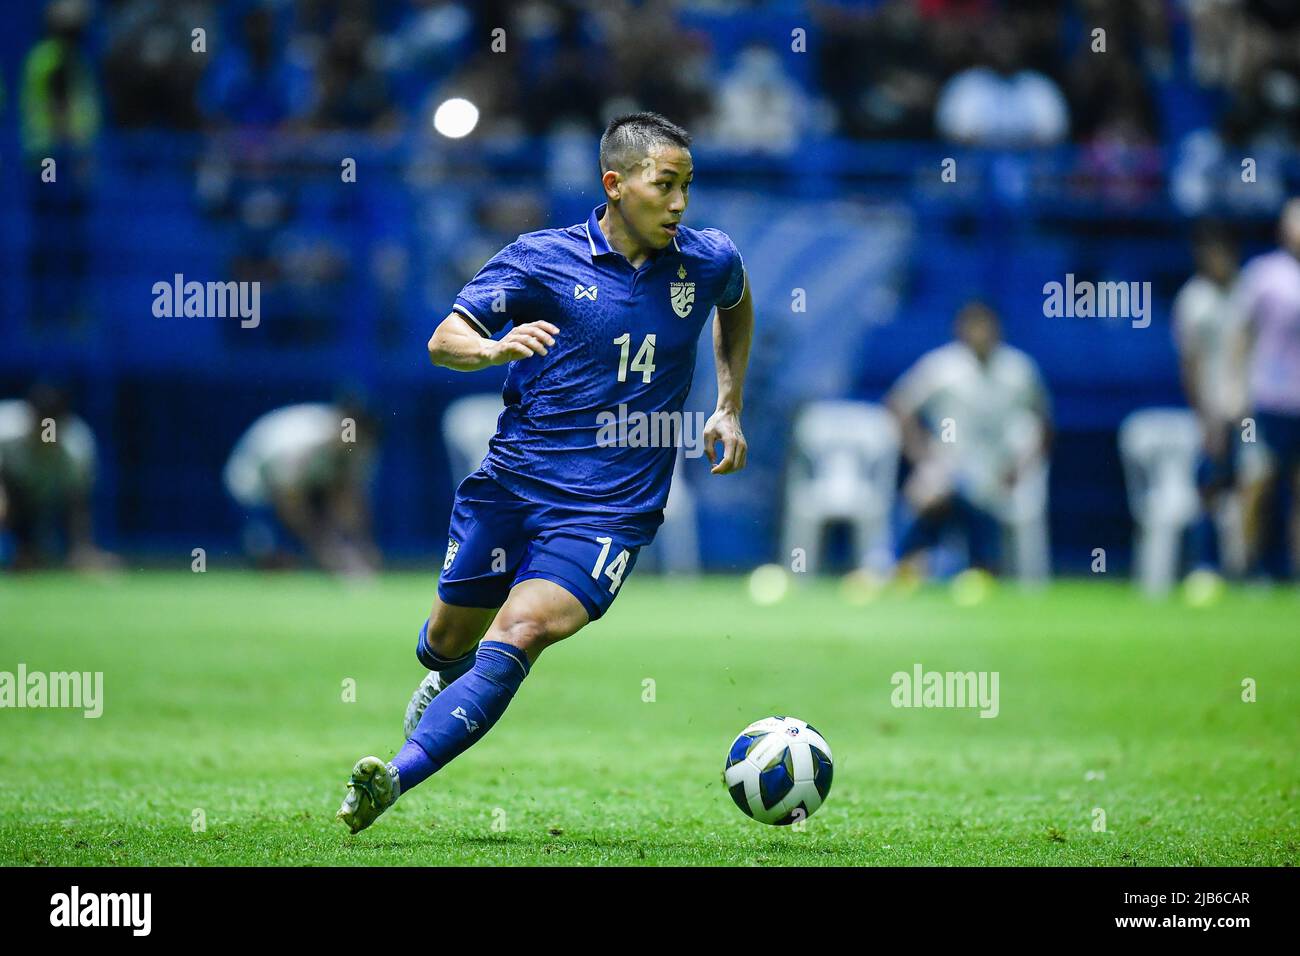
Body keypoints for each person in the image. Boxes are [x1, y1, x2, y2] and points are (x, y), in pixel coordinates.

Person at [336, 112, 753, 833]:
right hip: (512, 486)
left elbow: (737, 304)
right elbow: (444, 338)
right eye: (665, 186)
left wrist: (728, 404)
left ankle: (392, 779)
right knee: (445, 640)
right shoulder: (541, 259)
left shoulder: (706, 260)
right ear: (615, 185)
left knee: (522, 629)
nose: (680, 204)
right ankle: (443, 673)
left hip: (610, 511)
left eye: (688, 186)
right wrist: (494, 351)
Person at [887, 302, 1052, 581]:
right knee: (936, 488)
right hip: (948, 467)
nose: (979, 333)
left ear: (998, 329)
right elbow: (898, 406)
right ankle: (973, 566)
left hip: (996, 471)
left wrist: (1021, 469)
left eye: (985, 326)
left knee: (960, 491)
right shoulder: (942, 367)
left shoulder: (1018, 370)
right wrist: (922, 456)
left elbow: (1044, 423)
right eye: (972, 326)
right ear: (960, 330)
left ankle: (904, 562)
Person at [223, 399, 380, 576]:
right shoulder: (305, 444)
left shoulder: (353, 449)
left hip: (301, 483)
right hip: (254, 486)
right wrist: (326, 550)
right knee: (272, 560)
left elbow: (348, 500)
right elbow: (291, 504)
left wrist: (364, 546)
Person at [1172, 227, 1247, 583]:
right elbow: (1190, 363)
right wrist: (1205, 416)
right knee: (1209, 488)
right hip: (1212, 410)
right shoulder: (1193, 300)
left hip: (1250, 408)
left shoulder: (1248, 293)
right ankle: (1205, 567)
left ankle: (1246, 568)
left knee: (1250, 486)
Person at [1235, 198, 1300, 580]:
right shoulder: (1264, 274)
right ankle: (1244, 568)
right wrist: (1236, 390)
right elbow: (1241, 336)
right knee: (1257, 483)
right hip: (1267, 399)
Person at [0, 385, 112, 571]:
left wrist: (81, 549)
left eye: (51, 425)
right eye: (42, 423)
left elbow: (77, 502)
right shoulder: (6, 428)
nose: (46, 431)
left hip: (36, 497)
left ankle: (27, 552)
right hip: (9, 484)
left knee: (31, 560)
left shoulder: (76, 447)